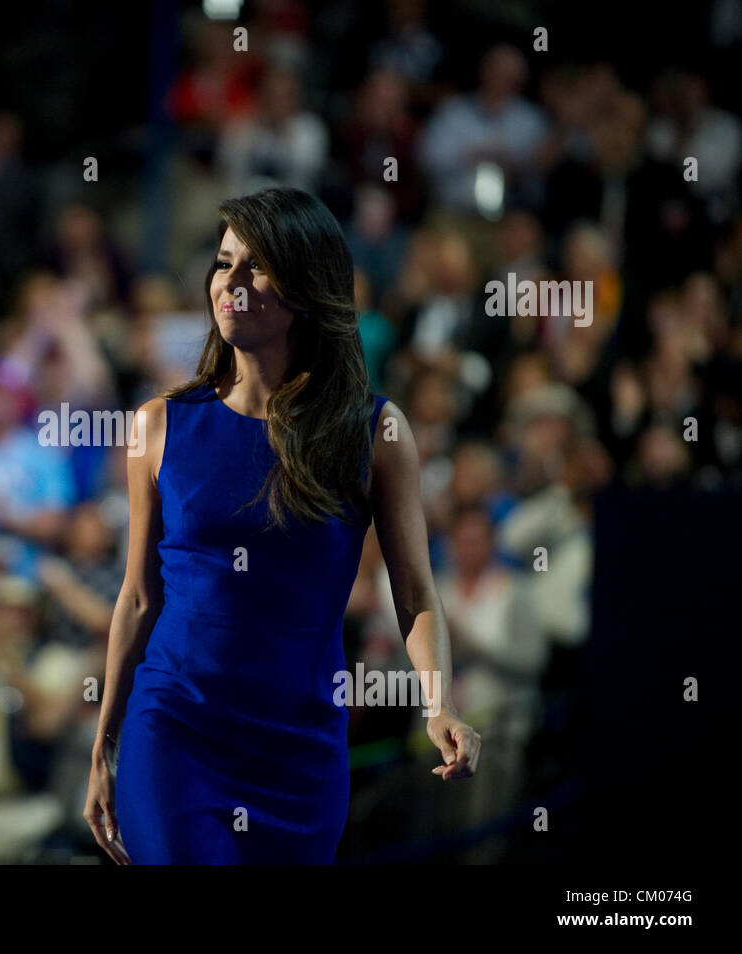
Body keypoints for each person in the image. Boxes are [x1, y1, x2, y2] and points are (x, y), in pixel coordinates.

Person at [85, 187, 482, 864]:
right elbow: (138, 597)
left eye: (256, 265)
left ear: (306, 286)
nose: (230, 283)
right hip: (175, 732)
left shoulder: (374, 430)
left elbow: (414, 591)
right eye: (223, 262)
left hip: (300, 754)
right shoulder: (157, 425)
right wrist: (104, 747)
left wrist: (436, 705)